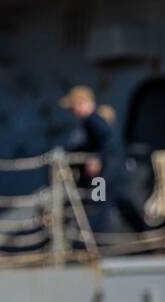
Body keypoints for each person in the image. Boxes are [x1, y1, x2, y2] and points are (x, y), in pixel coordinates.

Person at [60, 85, 146, 233]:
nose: (73, 111)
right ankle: (145, 233)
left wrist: (97, 159)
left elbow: (109, 141)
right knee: (123, 203)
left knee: (97, 207)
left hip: (103, 175)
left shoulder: (93, 121)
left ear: (81, 104)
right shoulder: (92, 121)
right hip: (113, 170)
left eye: (74, 106)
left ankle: (98, 245)